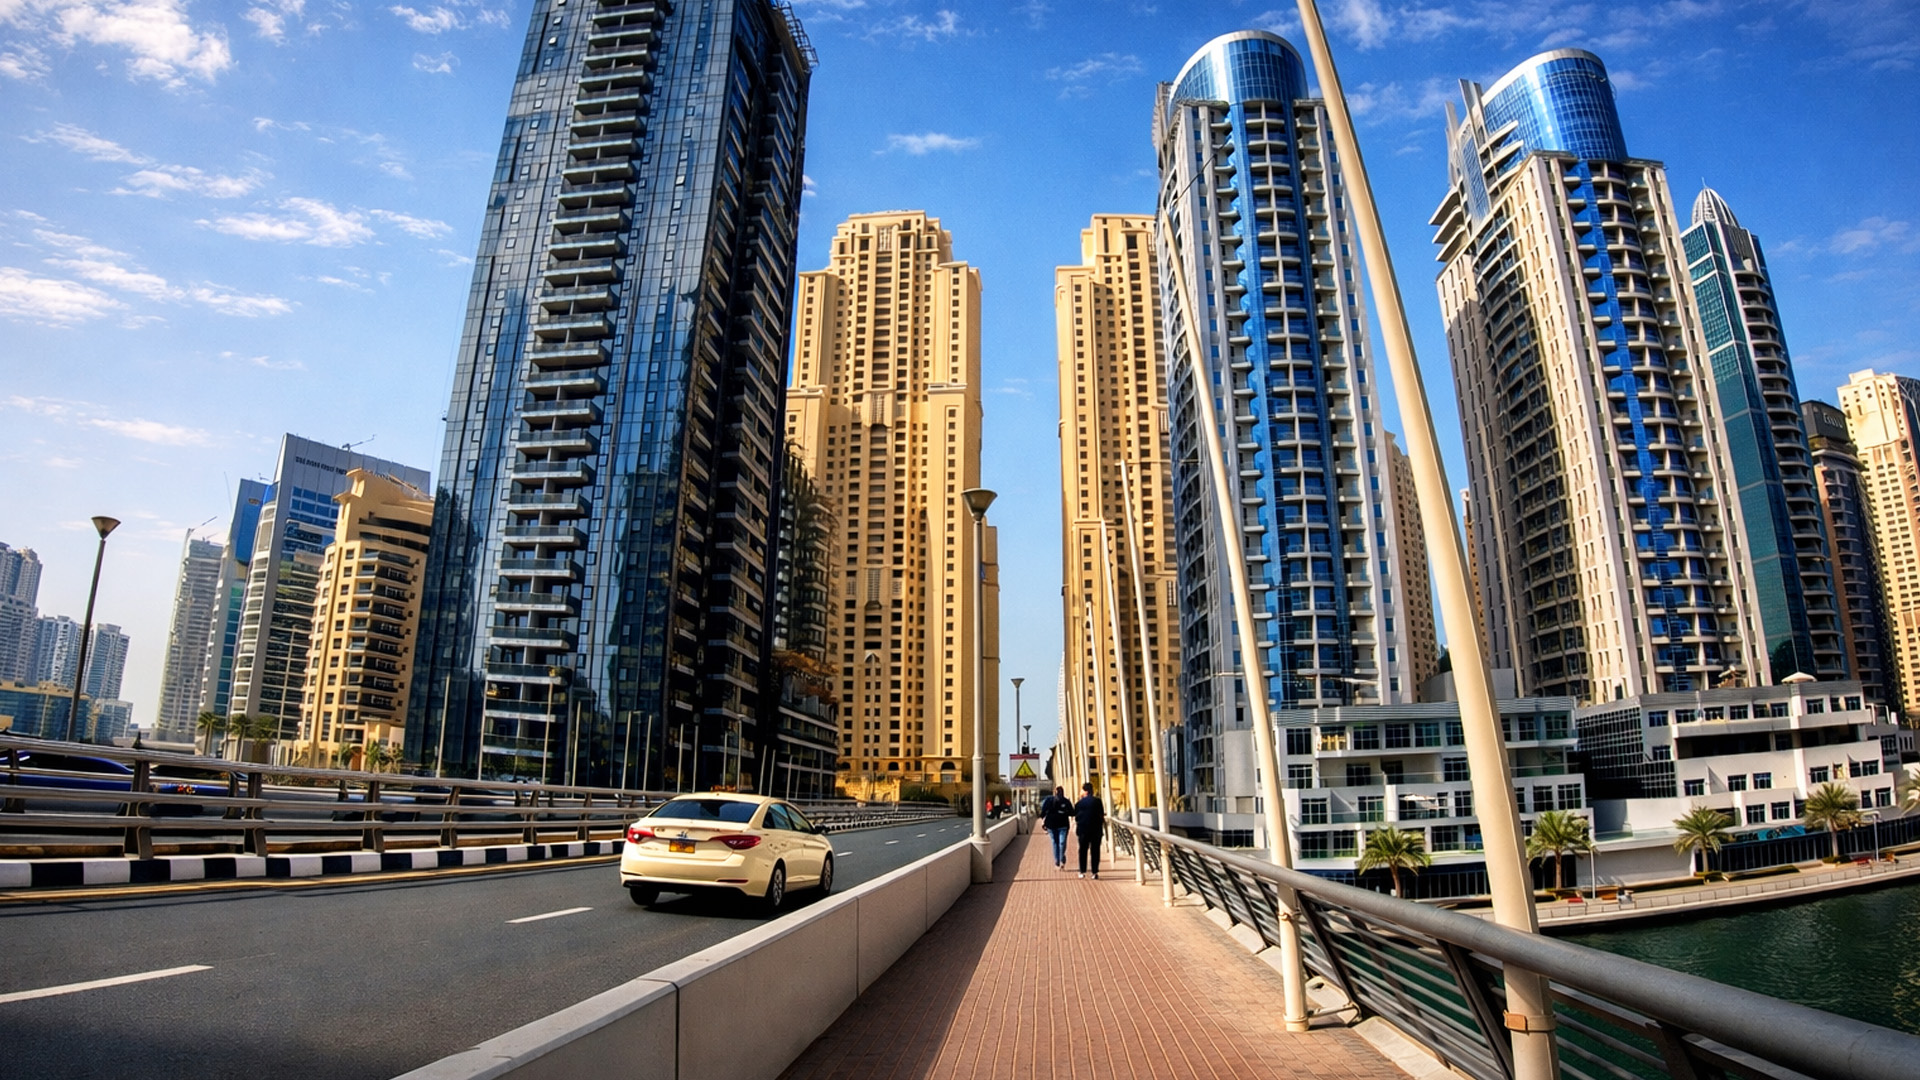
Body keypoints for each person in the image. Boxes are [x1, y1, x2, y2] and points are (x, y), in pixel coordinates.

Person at [1073, 781, 1106, 879]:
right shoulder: (1098, 801)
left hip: (1083, 830)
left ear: (1085, 791)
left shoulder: (1079, 803)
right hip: (1096, 830)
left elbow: (1076, 816)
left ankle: (1082, 871)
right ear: (1092, 790)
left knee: (1083, 850)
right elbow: (1101, 814)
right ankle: (1094, 872)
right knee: (1095, 851)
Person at [1038, 786, 1073, 869]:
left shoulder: (1066, 801)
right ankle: (1057, 861)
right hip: (1052, 826)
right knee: (1056, 842)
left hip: (1062, 826)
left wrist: (1064, 812)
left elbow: (1072, 812)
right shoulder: (1049, 801)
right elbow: (1043, 812)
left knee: (1061, 843)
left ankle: (1061, 858)